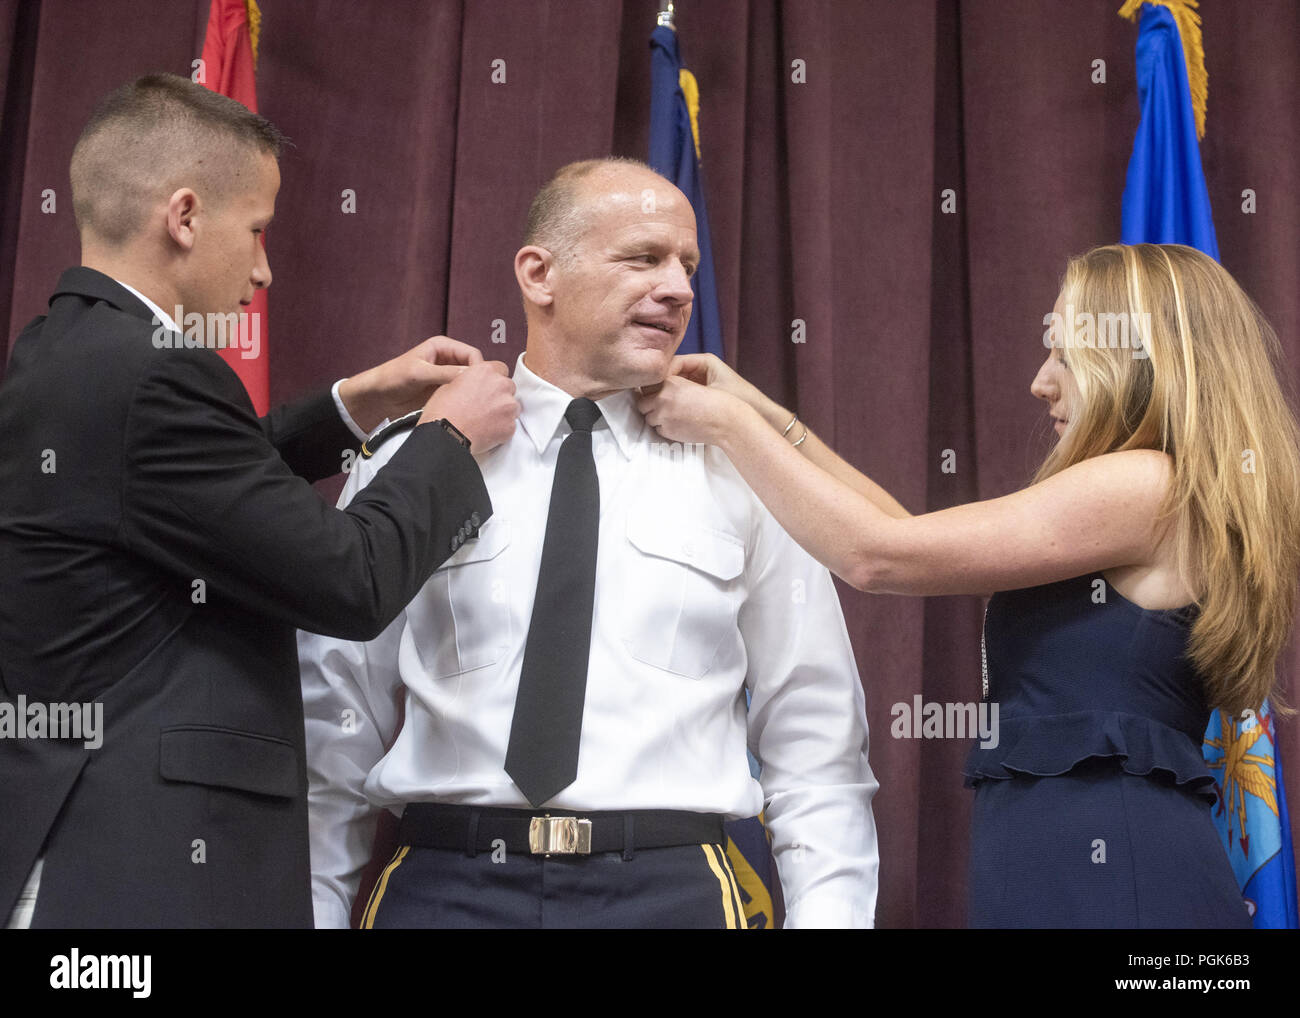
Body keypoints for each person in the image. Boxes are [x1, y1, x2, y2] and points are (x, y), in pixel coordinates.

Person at [640, 242, 1299, 928]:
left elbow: (877, 557)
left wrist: (727, 426)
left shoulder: (1145, 484)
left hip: (1115, 885)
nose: (1043, 382)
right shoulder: (1160, 490)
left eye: (1068, 355)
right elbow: (900, 530)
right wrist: (769, 415)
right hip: (1080, 871)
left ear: (1140, 360)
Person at [298, 157, 878, 930]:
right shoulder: (417, 454)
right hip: (446, 887)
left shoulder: (746, 465)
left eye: (688, 265)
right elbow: (333, 725)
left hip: (674, 892)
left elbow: (816, 741)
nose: (678, 288)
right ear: (539, 274)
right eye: (644, 258)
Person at [0, 74, 520, 928]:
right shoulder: (157, 375)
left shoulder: (65, 349)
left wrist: (358, 401)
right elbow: (349, 581)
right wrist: (448, 440)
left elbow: (197, 502)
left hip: (87, 857)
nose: (265, 267)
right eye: (257, 230)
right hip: (137, 879)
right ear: (185, 216)